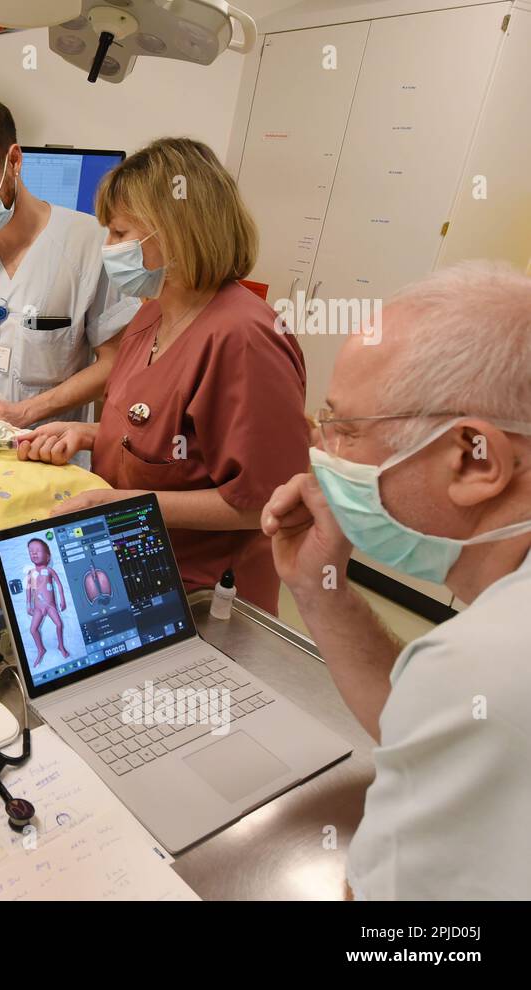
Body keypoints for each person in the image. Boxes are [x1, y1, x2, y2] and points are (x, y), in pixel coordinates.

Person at [261, 261, 531, 899]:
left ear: (473, 457)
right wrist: (319, 587)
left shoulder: (487, 663)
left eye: (345, 430)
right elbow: (429, 728)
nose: (321, 453)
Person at [16, 137, 309, 613]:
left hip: (207, 597)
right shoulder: (152, 316)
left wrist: (122, 504)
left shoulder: (243, 338)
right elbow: (161, 433)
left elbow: (266, 501)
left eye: (119, 232)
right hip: (131, 567)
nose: (106, 247)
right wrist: (87, 433)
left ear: (174, 231)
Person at [0, 94, 137, 432]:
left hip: (52, 451)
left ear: (14, 161)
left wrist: (24, 412)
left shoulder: (90, 247)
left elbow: (115, 361)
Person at [25, 538, 70, 667]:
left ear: (48, 556)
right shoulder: (31, 573)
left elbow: (59, 585)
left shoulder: (49, 571)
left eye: (38, 550)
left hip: (50, 606)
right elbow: (28, 590)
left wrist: (62, 599)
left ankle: (60, 646)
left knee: (59, 624)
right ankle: (41, 649)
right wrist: (28, 605)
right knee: (33, 629)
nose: (34, 553)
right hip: (38, 607)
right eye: (31, 551)